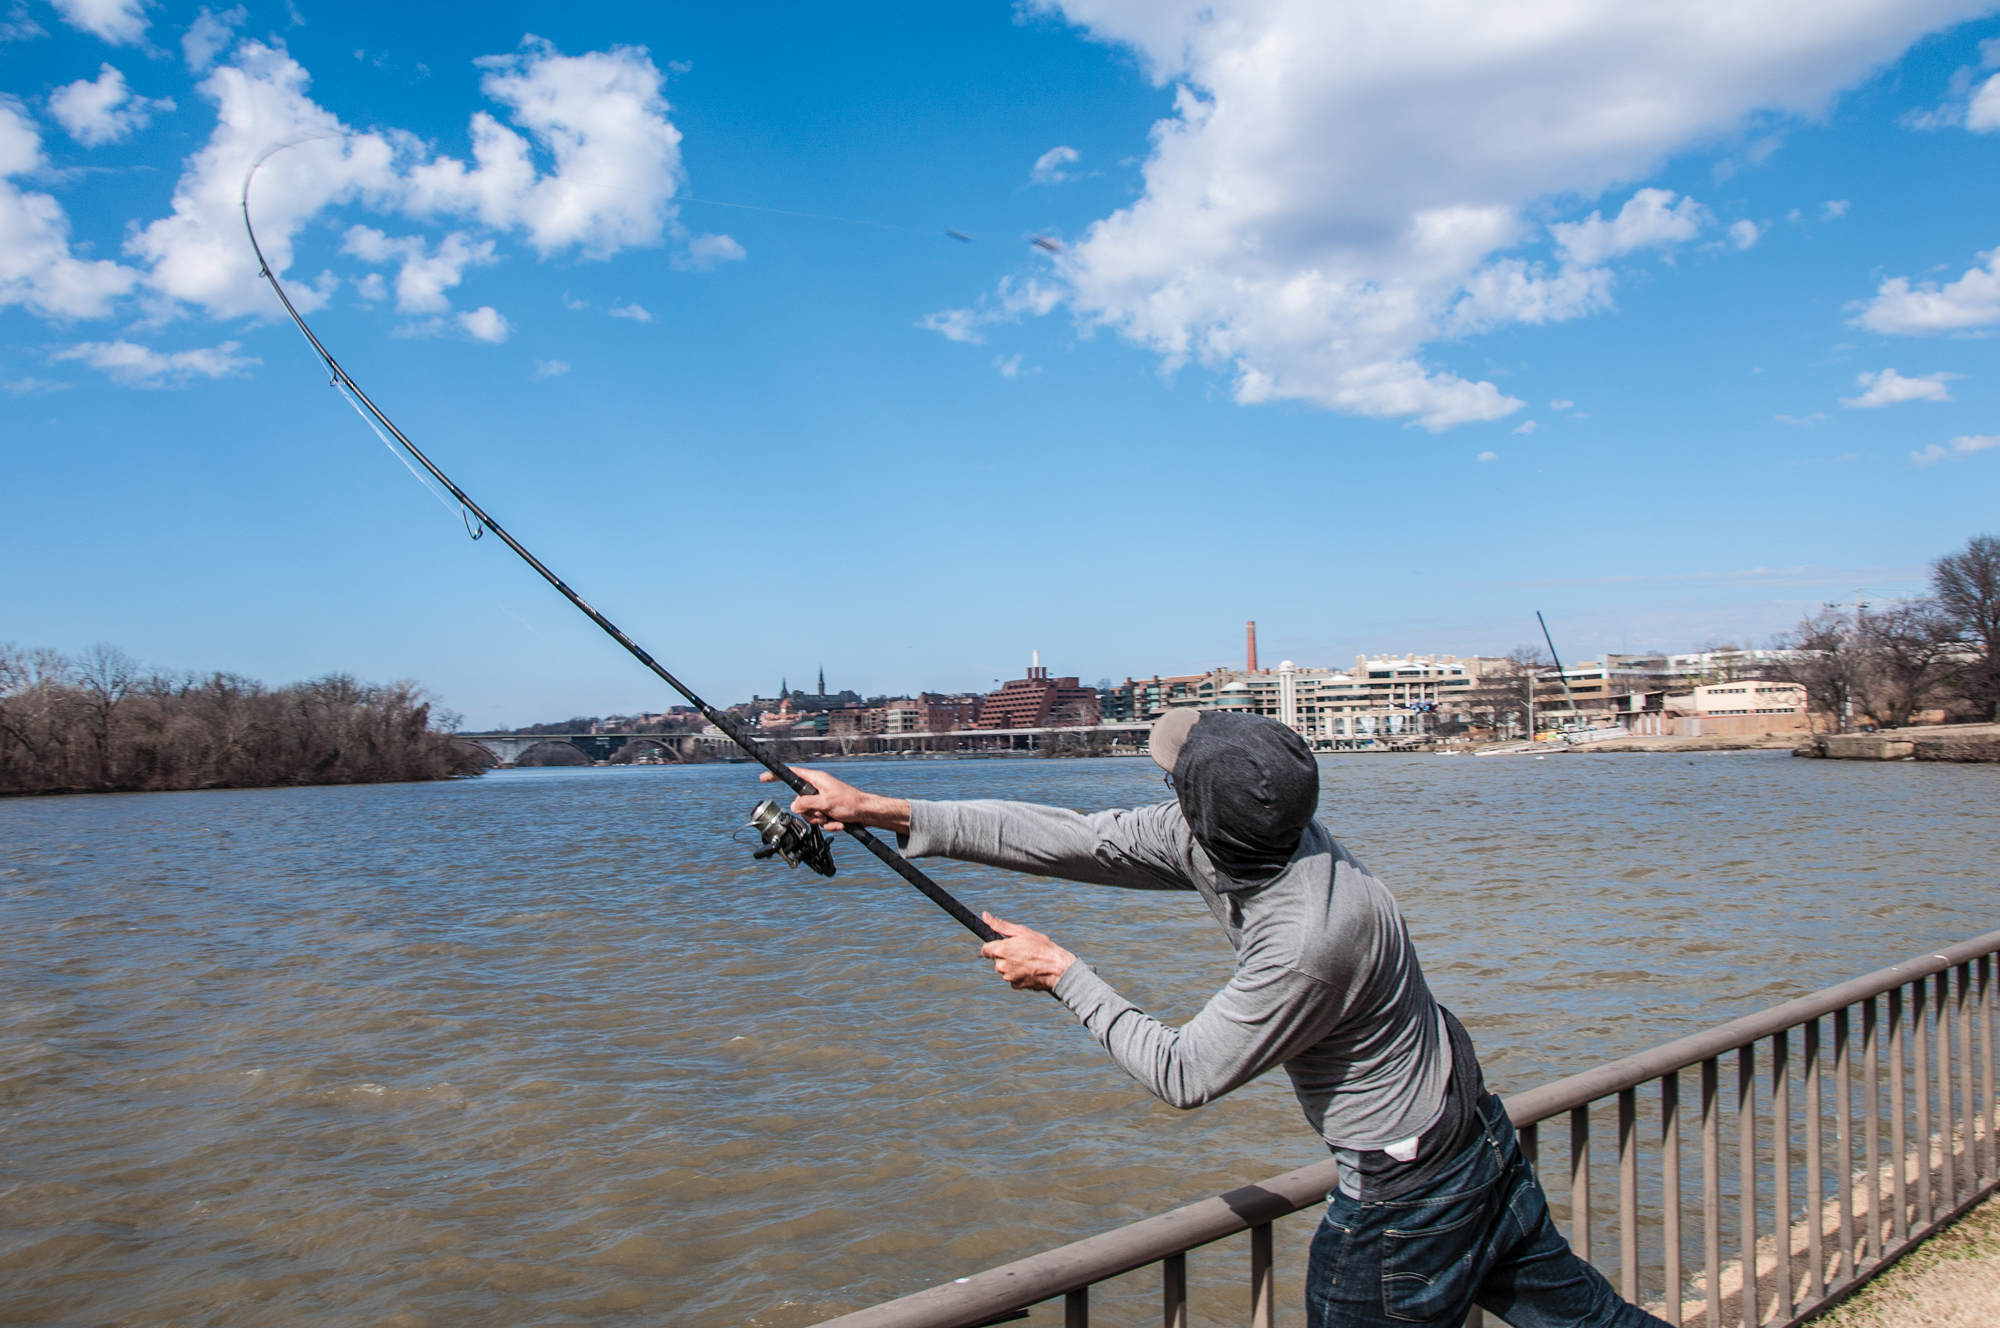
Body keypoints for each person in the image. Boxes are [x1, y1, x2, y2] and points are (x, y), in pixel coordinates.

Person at [763, 709, 1668, 1328]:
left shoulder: (1310, 940)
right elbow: (1069, 836)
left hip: (1408, 1198)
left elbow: (1186, 1073)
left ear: (1204, 821)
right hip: (1473, 1139)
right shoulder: (1264, 833)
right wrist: (882, 808)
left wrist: (1062, 973)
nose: (1163, 792)